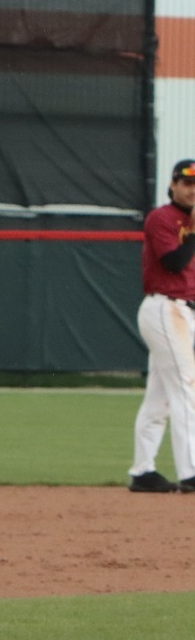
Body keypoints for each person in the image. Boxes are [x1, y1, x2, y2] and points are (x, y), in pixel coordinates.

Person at [129, 159, 195, 492]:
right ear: (172, 185)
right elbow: (173, 263)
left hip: (183, 313)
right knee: (186, 387)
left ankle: (143, 471)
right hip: (164, 308)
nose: (191, 189)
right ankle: (191, 471)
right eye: (186, 182)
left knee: (160, 397)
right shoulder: (162, 218)